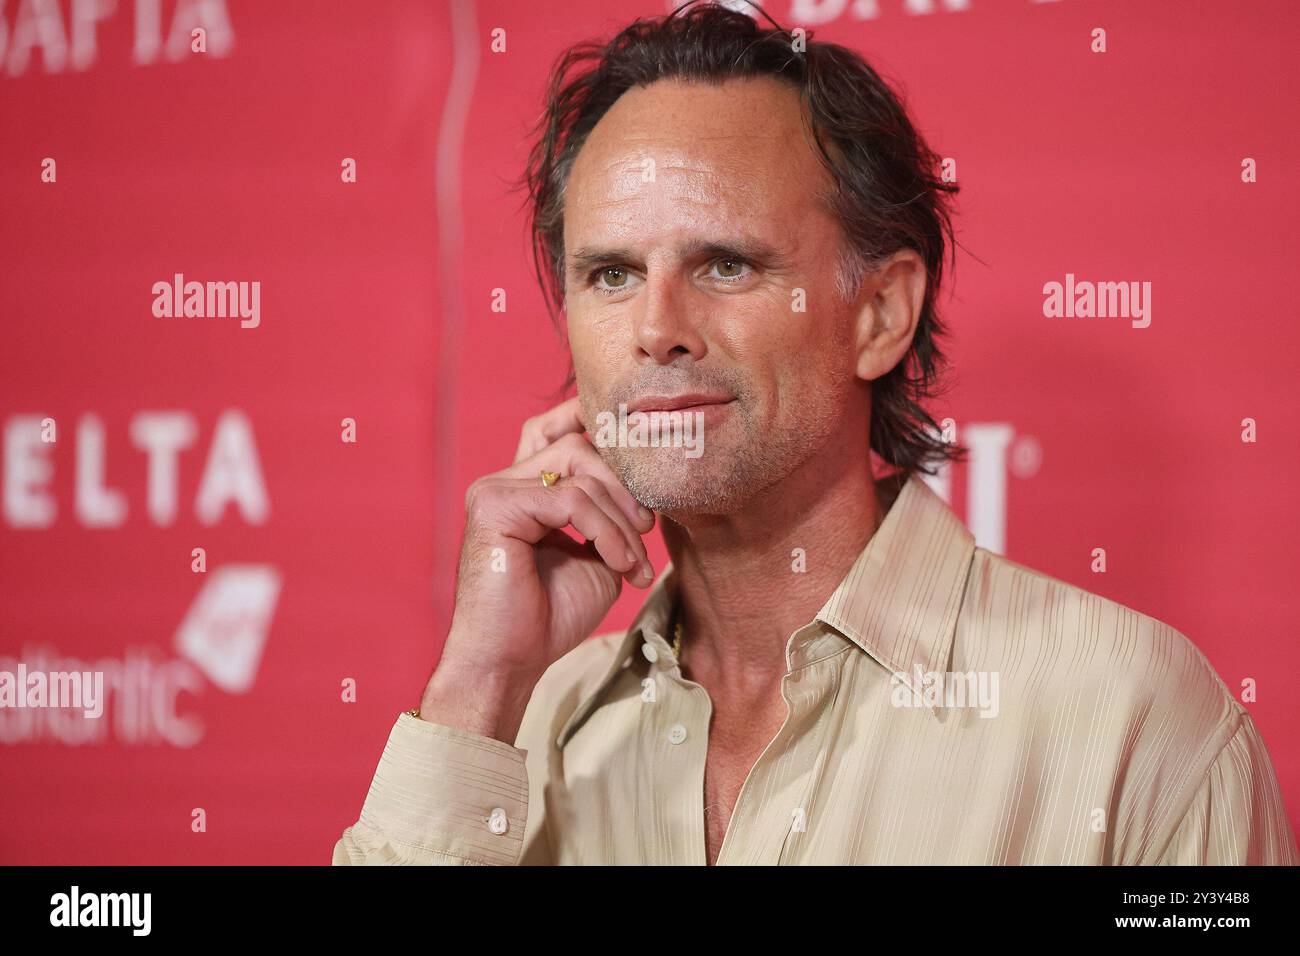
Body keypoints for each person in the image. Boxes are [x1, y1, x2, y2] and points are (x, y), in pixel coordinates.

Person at [333, 2, 1296, 865]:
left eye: (726, 264)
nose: (655, 327)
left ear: (879, 315)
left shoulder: (1133, 722)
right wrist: (479, 686)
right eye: (612, 274)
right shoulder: (513, 730)